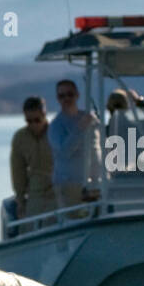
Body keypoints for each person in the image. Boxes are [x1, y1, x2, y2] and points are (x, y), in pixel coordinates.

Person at [47, 79, 102, 211]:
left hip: (95, 184)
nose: (66, 98)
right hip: (70, 187)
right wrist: (80, 128)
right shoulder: (56, 125)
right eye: (62, 96)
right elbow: (64, 151)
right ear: (57, 99)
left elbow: (100, 145)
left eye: (70, 94)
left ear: (77, 95)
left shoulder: (89, 118)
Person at [9, 96, 55, 228]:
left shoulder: (56, 132)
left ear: (44, 115)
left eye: (37, 120)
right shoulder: (20, 138)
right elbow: (18, 172)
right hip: (36, 193)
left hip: (58, 191)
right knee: (29, 228)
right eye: (29, 121)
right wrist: (20, 201)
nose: (34, 125)